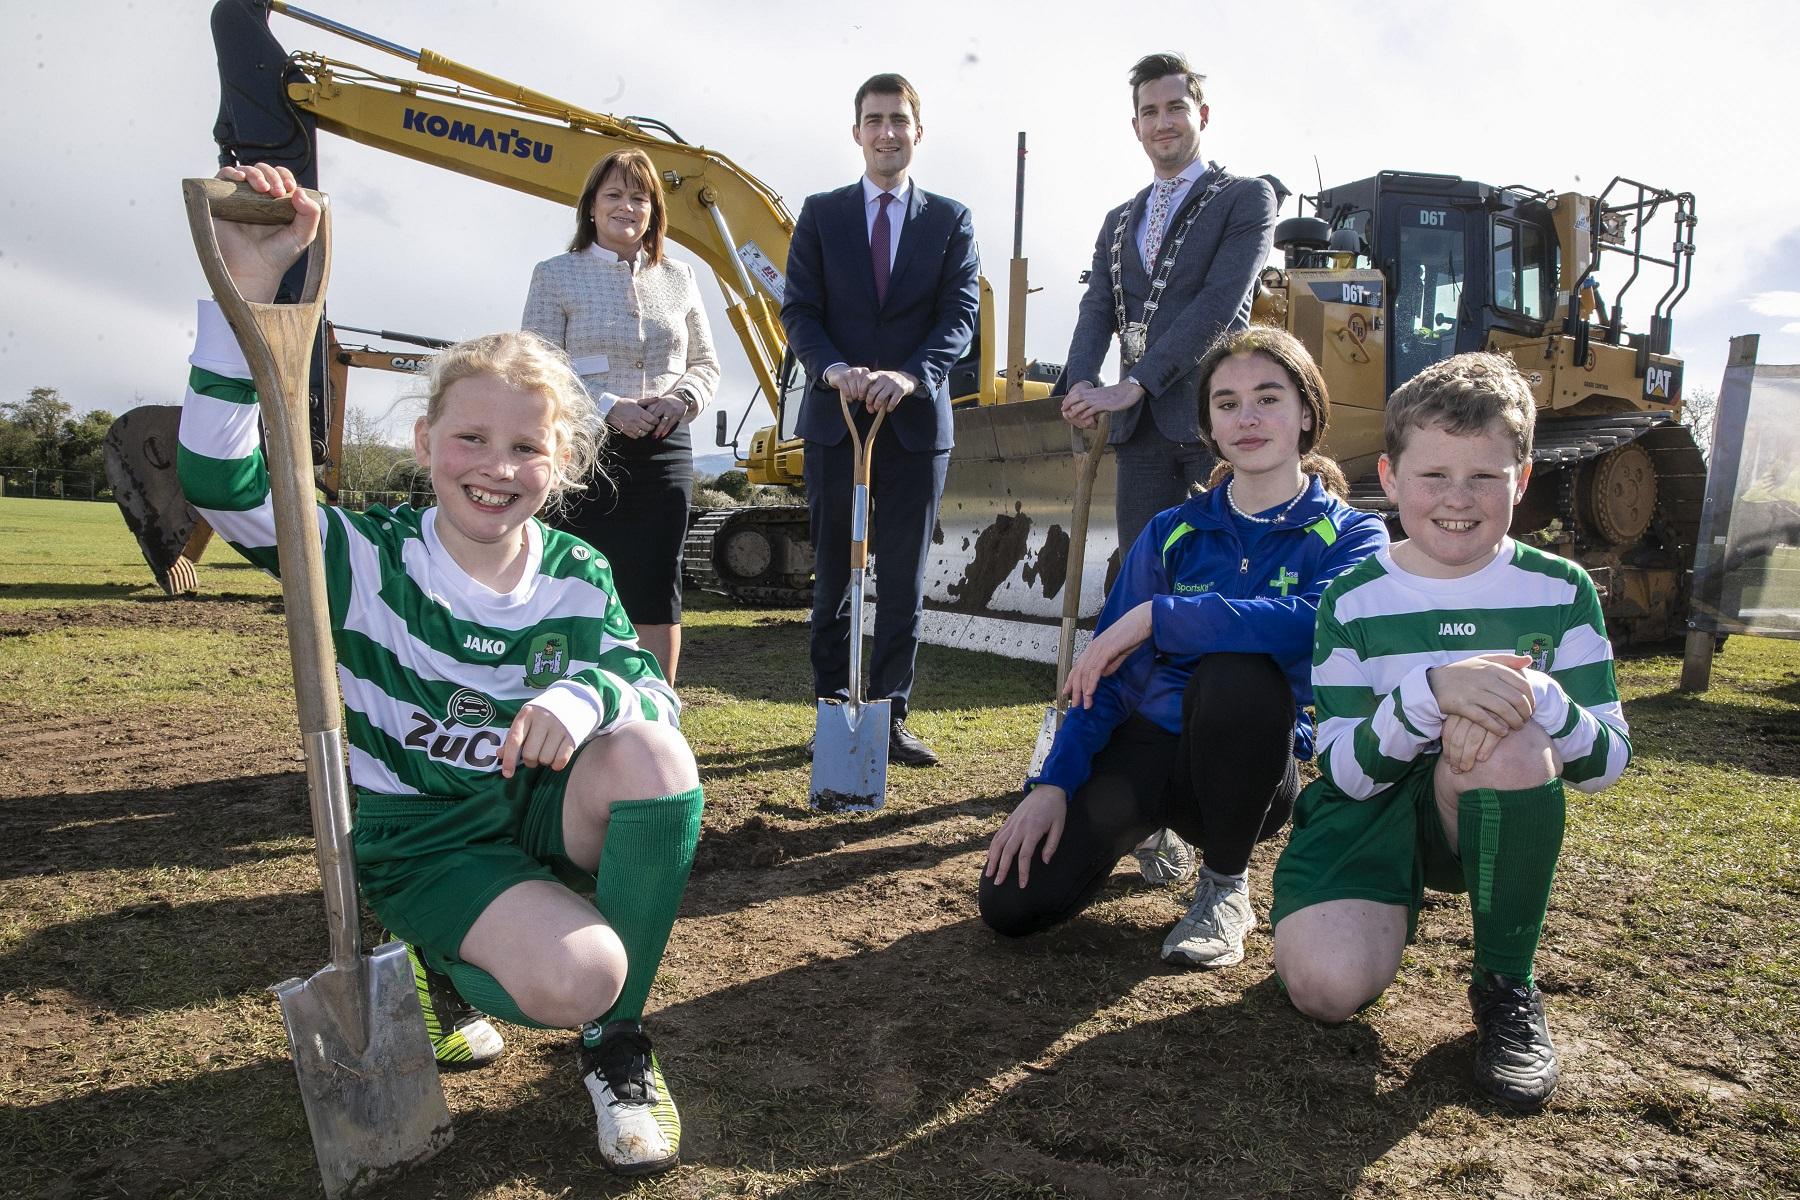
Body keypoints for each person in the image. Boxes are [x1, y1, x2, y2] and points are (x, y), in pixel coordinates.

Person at [180, 163, 703, 1176]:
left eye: (525, 447)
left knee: (656, 759)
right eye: (469, 436)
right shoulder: (364, 559)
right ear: (424, 443)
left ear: (561, 467)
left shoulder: (575, 570)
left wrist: (581, 690)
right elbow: (220, 480)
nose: (494, 467)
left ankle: (618, 1046)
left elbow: (648, 688)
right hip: (426, 834)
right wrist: (241, 296)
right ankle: (450, 958)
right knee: (583, 970)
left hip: (535, 806)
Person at [1270, 353, 1633, 1112]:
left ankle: (1507, 989)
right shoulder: (1353, 595)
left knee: (1511, 737)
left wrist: (1532, 695)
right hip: (1367, 809)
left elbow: (1605, 761)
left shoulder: (1560, 589)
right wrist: (1433, 693)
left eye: (1485, 478)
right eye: (1433, 476)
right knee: (1323, 992)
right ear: (1391, 477)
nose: (1457, 500)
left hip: (1472, 801)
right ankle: (1375, 907)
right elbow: (1344, 771)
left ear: (1523, 479)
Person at [980, 328, 1387, 968]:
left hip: (1245, 764)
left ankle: (1226, 886)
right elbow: (1105, 676)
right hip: (1147, 747)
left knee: (1237, 674)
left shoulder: (1352, 533)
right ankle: (1151, 829)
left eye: (1268, 399)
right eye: (1226, 404)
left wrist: (1162, 617)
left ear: (1307, 413)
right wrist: (1052, 784)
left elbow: (1322, 622)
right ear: (1209, 427)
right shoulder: (1173, 531)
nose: (1247, 418)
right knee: (1011, 905)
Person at [1059, 52, 1276, 883]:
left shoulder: (1243, 198)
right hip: (1146, 434)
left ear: (1202, 114)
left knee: (1212, 595)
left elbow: (1220, 306)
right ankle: (1139, 782)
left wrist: (1135, 381)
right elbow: (1096, 309)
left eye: (1175, 107)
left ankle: (1208, 784)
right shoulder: (1119, 220)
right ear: (1136, 122)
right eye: (1149, 111)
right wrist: (1080, 384)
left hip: (1224, 419)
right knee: (1138, 587)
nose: (1163, 122)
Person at [780, 72, 981, 768]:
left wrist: (912, 376)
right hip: (838, 427)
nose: (887, 132)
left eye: (900, 120)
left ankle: (891, 715)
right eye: (875, 120)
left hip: (916, 429)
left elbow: (960, 315)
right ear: (857, 131)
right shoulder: (822, 213)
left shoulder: (949, 220)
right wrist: (834, 369)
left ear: (916, 132)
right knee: (835, 579)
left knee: (902, 579)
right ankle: (833, 711)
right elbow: (799, 309)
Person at [523, 148, 721, 683]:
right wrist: (610, 408)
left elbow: (704, 363)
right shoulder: (554, 275)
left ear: (654, 211)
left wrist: (681, 400)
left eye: (639, 197)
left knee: (657, 579)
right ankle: (563, 697)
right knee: (572, 574)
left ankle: (655, 710)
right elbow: (540, 367)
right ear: (591, 206)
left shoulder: (679, 277)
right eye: (614, 195)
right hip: (582, 449)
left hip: (664, 451)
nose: (626, 207)